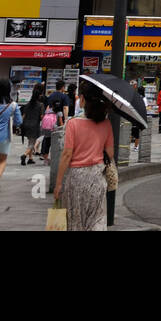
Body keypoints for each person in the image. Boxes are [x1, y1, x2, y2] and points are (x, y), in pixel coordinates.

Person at [54, 80, 115, 231]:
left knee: (75, 222)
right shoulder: (106, 124)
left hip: (76, 179)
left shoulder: (73, 124)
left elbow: (67, 154)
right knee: (96, 219)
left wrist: (58, 183)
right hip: (97, 178)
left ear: (82, 99)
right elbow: (110, 153)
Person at [20, 84, 46, 165]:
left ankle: (30, 158)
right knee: (32, 143)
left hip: (26, 125)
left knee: (30, 141)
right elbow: (41, 117)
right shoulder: (40, 105)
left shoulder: (28, 104)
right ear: (39, 96)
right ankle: (24, 155)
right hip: (34, 125)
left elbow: (23, 116)